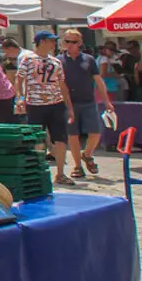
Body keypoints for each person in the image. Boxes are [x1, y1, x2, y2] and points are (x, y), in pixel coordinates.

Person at [15, 31, 76, 185]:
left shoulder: (56, 62)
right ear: (41, 42)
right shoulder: (28, 60)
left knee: (60, 139)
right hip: (35, 104)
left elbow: (62, 85)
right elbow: (19, 79)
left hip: (56, 103)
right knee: (36, 139)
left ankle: (61, 173)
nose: (53, 44)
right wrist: (20, 98)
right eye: (51, 41)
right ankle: (37, 172)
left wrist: (69, 106)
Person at [58, 28, 113, 179]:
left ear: (80, 43)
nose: (69, 45)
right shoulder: (59, 60)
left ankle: (87, 154)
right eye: (67, 41)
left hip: (88, 101)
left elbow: (98, 81)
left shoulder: (88, 59)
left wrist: (106, 101)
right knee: (73, 135)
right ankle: (77, 166)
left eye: (73, 42)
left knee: (95, 132)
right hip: (68, 104)